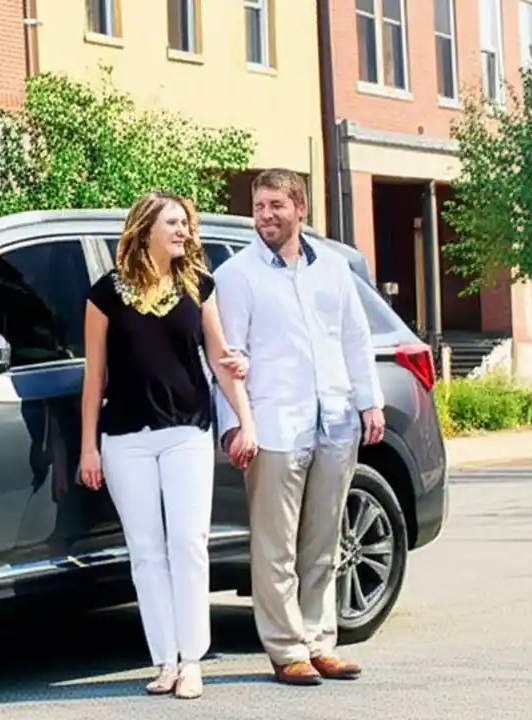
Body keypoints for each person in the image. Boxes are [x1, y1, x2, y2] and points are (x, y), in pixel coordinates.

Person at [79, 190, 258, 700]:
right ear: (145, 229)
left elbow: (222, 358)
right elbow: (95, 377)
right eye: (174, 223)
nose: (183, 231)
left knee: (187, 544)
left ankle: (193, 659)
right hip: (125, 440)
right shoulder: (104, 295)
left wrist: (245, 420)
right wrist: (88, 448)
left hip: (187, 433)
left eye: (186, 223)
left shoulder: (199, 285)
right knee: (146, 552)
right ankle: (163, 659)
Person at [213, 168, 385, 686]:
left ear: (300, 209)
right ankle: (286, 648)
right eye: (259, 206)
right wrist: (235, 426)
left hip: (334, 421)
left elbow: (355, 338)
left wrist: (370, 404)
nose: (266, 215)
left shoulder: (332, 270)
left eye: (275, 206)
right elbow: (224, 358)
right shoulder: (236, 276)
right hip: (274, 426)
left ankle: (319, 641)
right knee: (275, 546)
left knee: (324, 542)